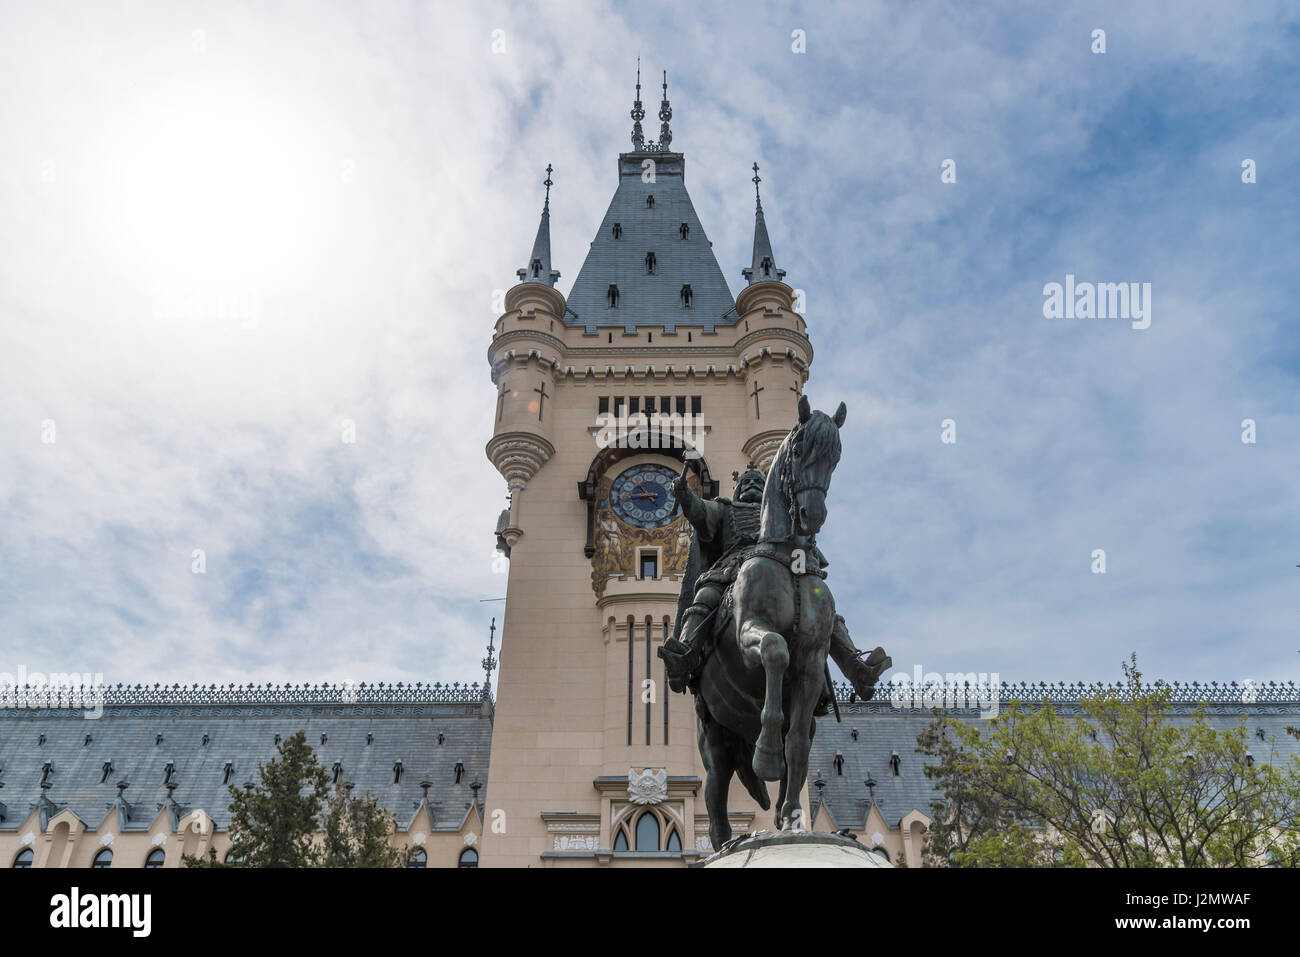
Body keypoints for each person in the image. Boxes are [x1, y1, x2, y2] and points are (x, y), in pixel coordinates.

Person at [659, 462, 888, 699]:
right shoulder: (724, 509)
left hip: (782, 566)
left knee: (822, 604)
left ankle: (855, 666)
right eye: (746, 482)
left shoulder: (780, 512)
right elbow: (698, 510)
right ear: (737, 491)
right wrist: (685, 495)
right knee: (705, 597)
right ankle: (685, 653)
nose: (751, 486)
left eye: (757, 482)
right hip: (732, 569)